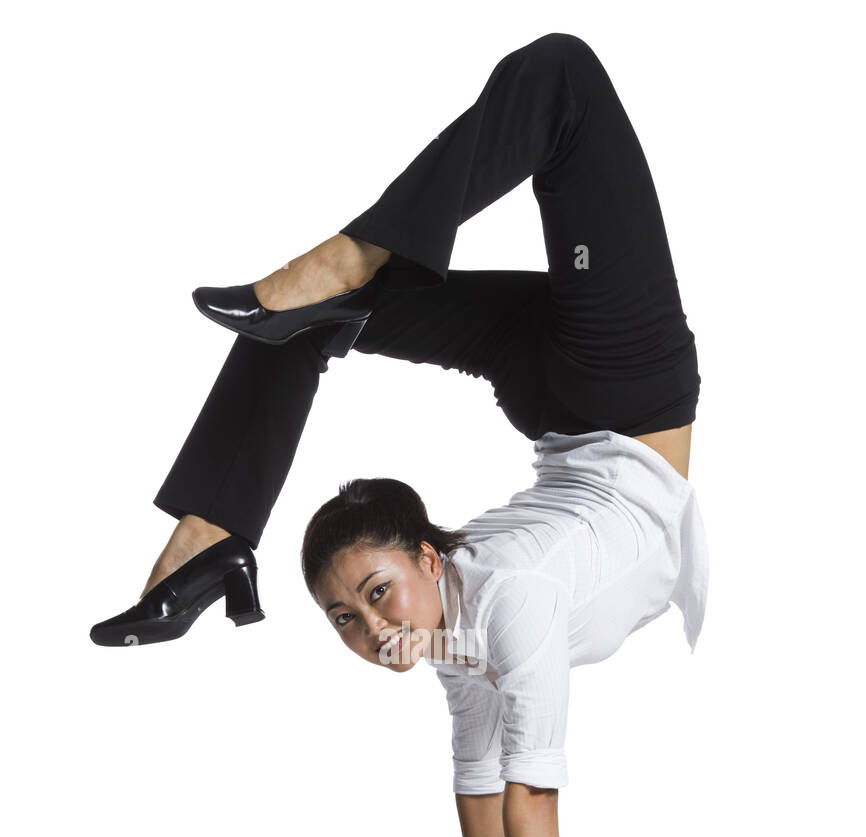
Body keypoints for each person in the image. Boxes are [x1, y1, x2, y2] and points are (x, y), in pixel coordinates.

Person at [90, 31, 701, 648]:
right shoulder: (510, 606)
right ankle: (346, 263)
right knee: (560, 75)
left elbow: (474, 652)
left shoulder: (497, 606)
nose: (373, 622)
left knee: (312, 309)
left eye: (362, 606)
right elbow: (482, 653)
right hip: (616, 390)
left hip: (590, 394)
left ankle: (210, 532)